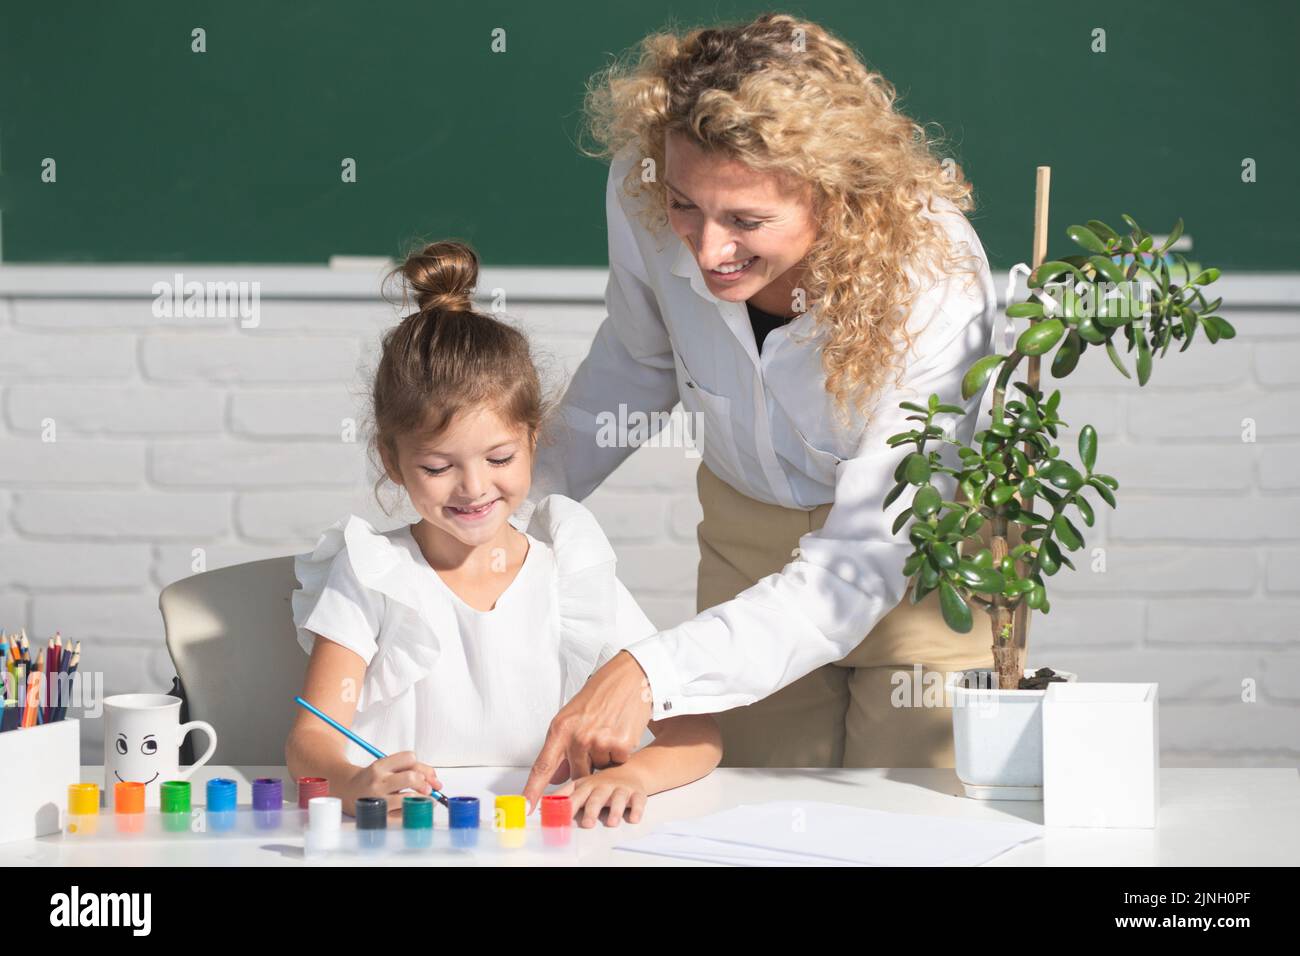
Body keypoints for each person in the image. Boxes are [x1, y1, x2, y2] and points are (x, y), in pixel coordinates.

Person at [521, 13, 1010, 808]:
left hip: (922, 568)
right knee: (755, 815)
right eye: (688, 207)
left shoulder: (938, 276)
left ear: (838, 194)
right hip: (747, 540)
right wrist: (495, 514)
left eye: (747, 221)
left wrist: (655, 670)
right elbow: (639, 360)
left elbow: (861, 564)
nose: (707, 250)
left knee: (913, 820)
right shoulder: (646, 184)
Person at [285, 240, 721, 827]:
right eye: (438, 468)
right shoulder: (372, 571)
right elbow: (310, 738)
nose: (473, 488)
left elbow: (696, 735)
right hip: (406, 841)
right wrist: (354, 782)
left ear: (533, 440)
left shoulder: (570, 568)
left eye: (499, 458)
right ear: (392, 460)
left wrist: (632, 776)